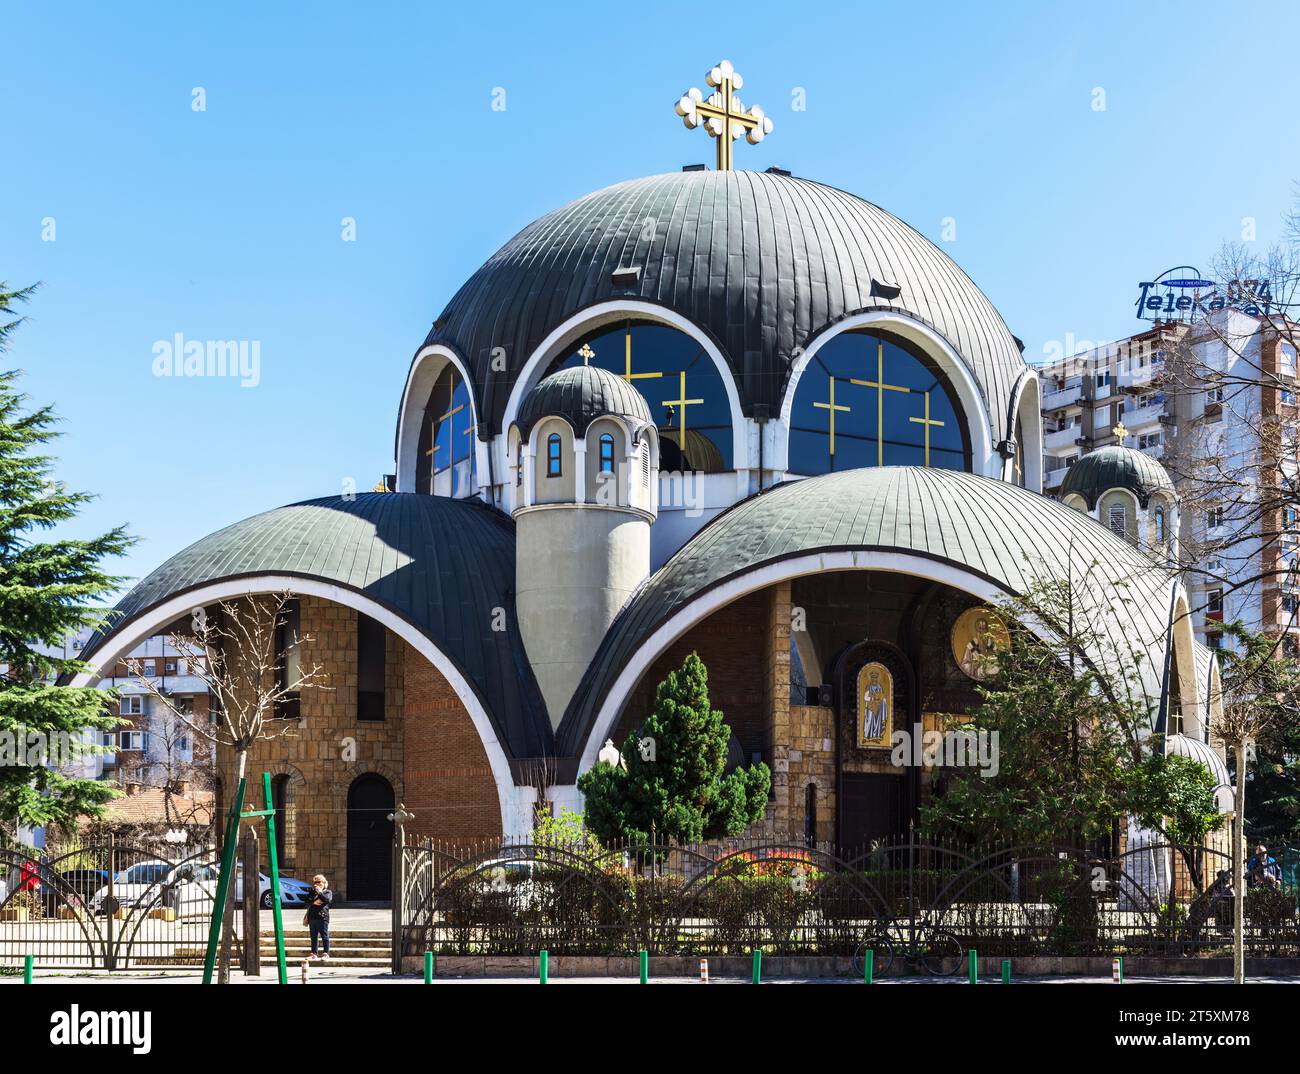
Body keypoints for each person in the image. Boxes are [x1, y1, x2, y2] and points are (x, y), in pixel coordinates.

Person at [305, 874, 333, 960]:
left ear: (324, 883)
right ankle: (313, 953)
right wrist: (315, 901)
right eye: (315, 882)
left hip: (322, 917)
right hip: (312, 917)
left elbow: (326, 900)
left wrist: (320, 892)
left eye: (319, 882)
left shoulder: (327, 892)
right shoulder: (312, 892)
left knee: (324, 935)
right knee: (313, 936)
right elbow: (307, 901)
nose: (316, 884)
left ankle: (326, 953)